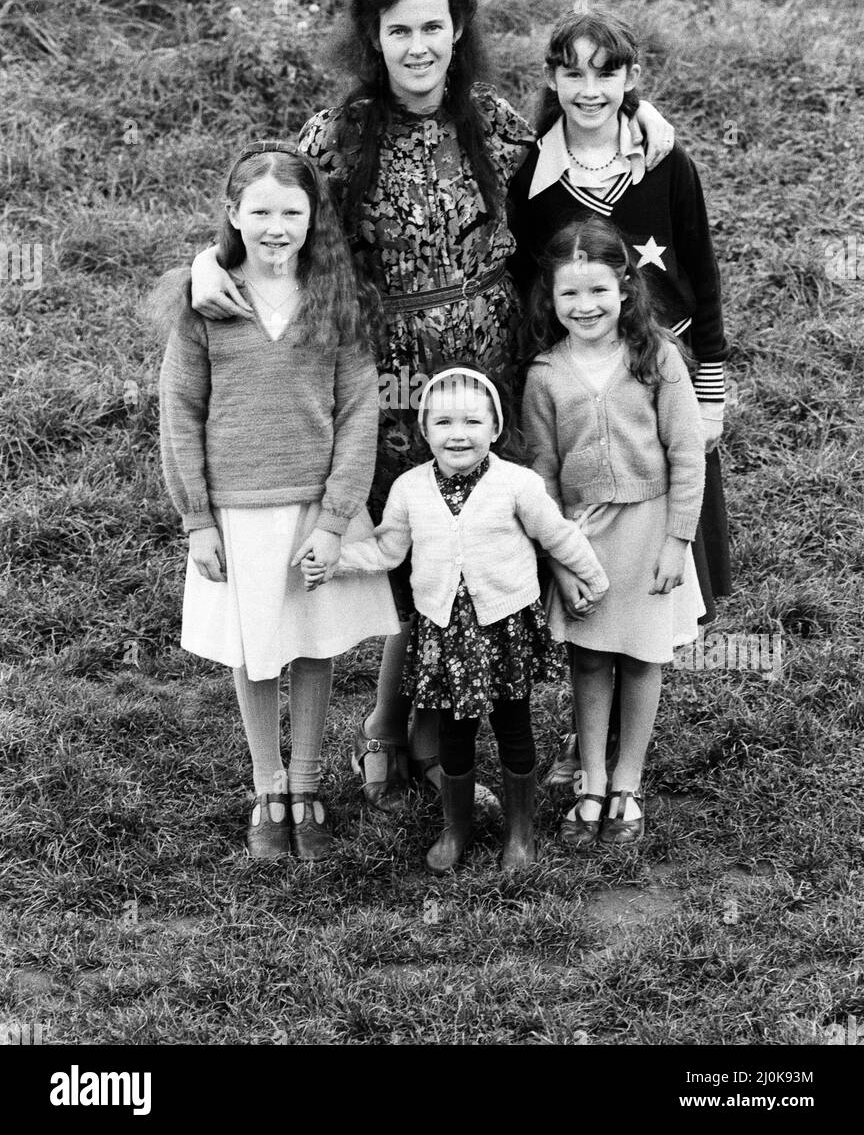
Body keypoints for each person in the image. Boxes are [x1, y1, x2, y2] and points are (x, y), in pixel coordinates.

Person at [188, 0, 674, 809]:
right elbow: (266, 212)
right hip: (392, 372)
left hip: (489, 365)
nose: (419, 45)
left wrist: (644, 117)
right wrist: (203, 263)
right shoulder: (336, 137)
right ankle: (389, 731)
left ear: (459, 34)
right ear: (375, 42)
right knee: (410, 542)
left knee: (481, 534)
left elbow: (589, 156)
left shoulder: (495, 123)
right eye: (400, 30)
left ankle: (449, 741)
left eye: (434, 27)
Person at [158, 142, 400, 861]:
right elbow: (179, 410)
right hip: (238, 508)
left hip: (313, 503)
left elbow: (359, 411)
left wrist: (335, 520)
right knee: (256, 648)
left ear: (311, 217)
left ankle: (306, 782)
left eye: (291, 211)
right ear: (232, 215)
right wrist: (196, 518)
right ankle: (268, 787)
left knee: (312, 642)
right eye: (259, 211)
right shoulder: (206, 303)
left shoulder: (334, 296)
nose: (275, 226)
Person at [507, 8, 729, 789]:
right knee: (586, 610)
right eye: (573, 71)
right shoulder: (530, 174)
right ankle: (587, 754)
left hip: (655, 391)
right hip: (576, 400)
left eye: (608, 72)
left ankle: (620, 765)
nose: (590, 88)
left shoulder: (665, 159)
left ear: (632, 80)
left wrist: (709, 388)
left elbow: (700, 271)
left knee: (655, 580)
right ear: (552, 79)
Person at [297, 365, 609, 872]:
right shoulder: (409, 488)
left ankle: (520, 832)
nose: (458, 434)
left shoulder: (518, 484)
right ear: (424, 431)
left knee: (513, 725)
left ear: (495, 427)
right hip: (444, 632)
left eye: (472, 422)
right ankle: (456, 827)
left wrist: (592, 580)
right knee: (454, 733)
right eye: (442, 423)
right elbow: (388, 549)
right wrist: (339, 561)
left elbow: (559, 535)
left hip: (504, 628)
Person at [521, 218, 706, 847]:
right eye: (569, 294)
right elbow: (543, 473)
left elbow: (687, 455)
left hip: (650, 528)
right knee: (592, 657)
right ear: (550, 298)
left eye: (598, 290)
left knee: (643, 656)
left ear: (625, 287)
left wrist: (678, 540)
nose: (585, 306)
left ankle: (628, 780)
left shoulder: (657, 357)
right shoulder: (545, 373)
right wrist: (560, 558)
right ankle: (592, 779)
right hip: (583, 537)